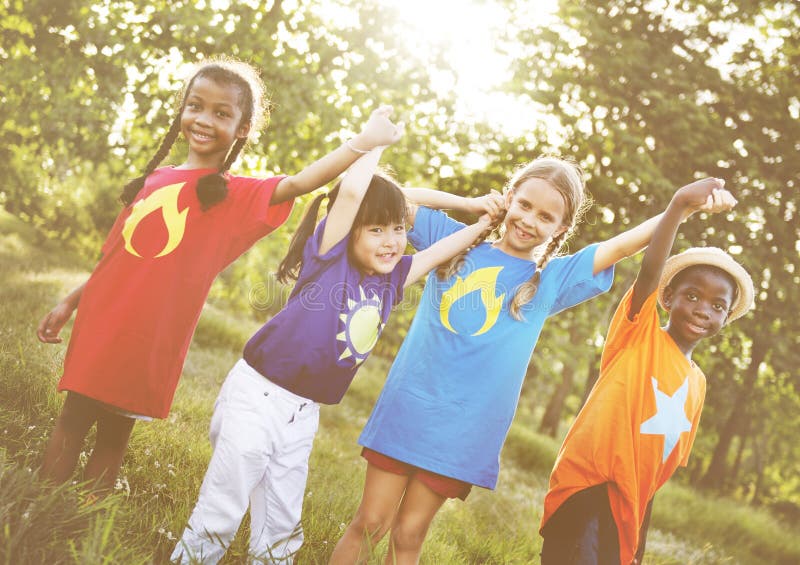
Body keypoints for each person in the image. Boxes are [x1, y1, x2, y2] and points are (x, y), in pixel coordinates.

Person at [329, 158, 736, 565]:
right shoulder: (455, 240)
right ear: (508, 199)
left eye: (546, 216)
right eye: (523, 205)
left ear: (561, 229)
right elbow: (377, 193)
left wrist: (681, 208)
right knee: (369, 523)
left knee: (409, 534)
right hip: (409, 407)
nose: (529, 221)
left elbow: (624, 245)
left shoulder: (549, 280)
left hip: (463, 431)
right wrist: (468, 204)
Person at [34, 57, 402, 493]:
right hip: (102, 318)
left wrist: (364, 141)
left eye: (221, 113)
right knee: (72, 420)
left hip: (148, 336)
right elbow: (117, 257)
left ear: (243, 128)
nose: (204, 119)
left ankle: (82, 524)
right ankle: (39, 507)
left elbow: (301, 182)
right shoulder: (156, 179)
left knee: (113, 439)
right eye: (195, 106)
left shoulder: (232, 197)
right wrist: (71, 301)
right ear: (182, 110)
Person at [171, 141, 500, 564]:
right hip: (258, 397)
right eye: (377, 230)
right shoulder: (330, 257)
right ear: (350, 231)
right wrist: (375, 141)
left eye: (398, 229)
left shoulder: (392, 280)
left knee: (281, 522)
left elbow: (439, 245)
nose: (392, 242)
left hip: (303, 413)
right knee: (224, 505)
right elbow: (350, 193)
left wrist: (480, 220)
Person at [539, 180, 751, 565]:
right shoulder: (640, 335)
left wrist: (638, 543)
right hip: (587, 487)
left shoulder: (697, 384)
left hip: (626, 512)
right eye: (692, 296)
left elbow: (656, 470)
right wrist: (679, 203)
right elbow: (650, 270)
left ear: (726, 317)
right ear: (667, 298)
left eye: (718, 305)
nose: (704, 309)